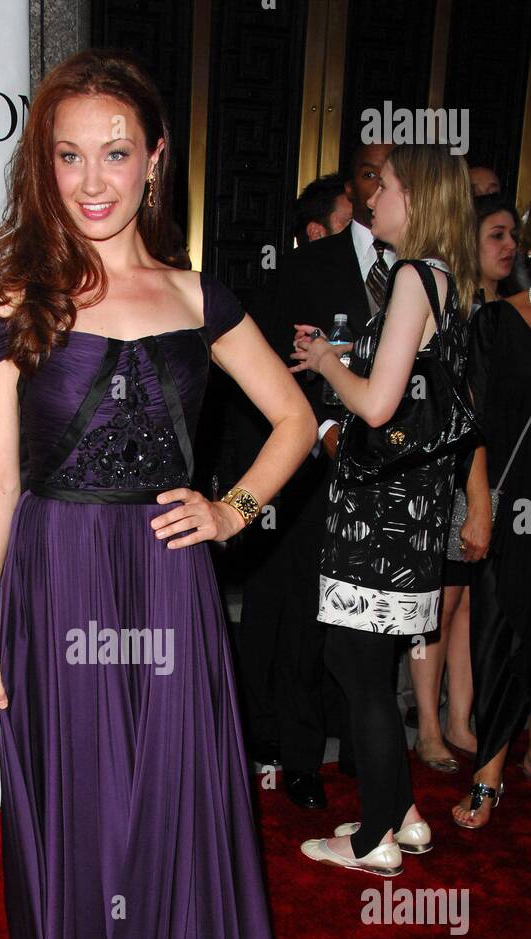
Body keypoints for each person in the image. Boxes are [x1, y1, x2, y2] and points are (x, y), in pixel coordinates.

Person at [0, 49, 345, 939]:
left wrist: (231, 511)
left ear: (155, 158)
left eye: (114, 151)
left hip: (167, 598)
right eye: (68, 154)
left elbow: (294, 422)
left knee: (172, 833)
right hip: (56, 591)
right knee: (82, 845)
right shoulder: (16, 299)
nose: (91, 178)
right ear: (43, 163)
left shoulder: (195, 297)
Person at [290, 145, 478, 875]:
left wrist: (327, 364)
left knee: (356, 666)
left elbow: (376, 403)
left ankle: (372, 841)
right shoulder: (445, 282)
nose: (373, 199)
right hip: (413, 509)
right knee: (368, 662)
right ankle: (399, 815)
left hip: (381, 511)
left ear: (419, 198)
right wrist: (343, 356)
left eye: (388, 186)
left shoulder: (410, 277)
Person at [237, 139, 394, 810]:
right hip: (316, 469)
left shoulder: (422, 268)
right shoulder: (308, 266)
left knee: (381, 624)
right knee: (304, 614)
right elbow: (269, 367)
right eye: (370, 172)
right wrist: (320, 432)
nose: (379, 184)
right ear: (355, 183)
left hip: (397, 473)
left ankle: (370, 754)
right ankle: (300, 757)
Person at [408, 194, 522, 773]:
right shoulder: (458, 309)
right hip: (456, 476)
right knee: (441, 605)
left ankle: (458, 719)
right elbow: (460, 409)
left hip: (499, 478)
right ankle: (429, 726)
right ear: (470, 239)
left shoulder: (508, 311)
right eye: (497, 235)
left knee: (470, 605)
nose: (510, 247)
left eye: (513, 237)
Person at [451, 287, 531, 827]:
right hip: (512, 499)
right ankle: (489, 771)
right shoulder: (498, 322)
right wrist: (478, 503)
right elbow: (470, 420)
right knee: (499, 626)